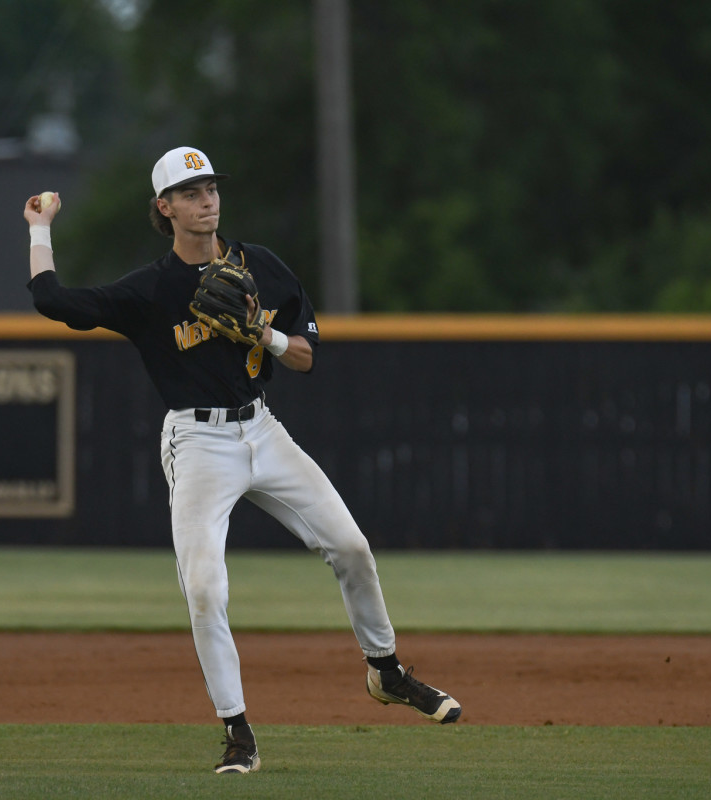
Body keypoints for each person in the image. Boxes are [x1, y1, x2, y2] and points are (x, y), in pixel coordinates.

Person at [23, 146, 461, 774]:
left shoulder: (262, 267)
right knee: (205, 588)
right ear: (165, 207)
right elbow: (51, 301)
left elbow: (308, 357)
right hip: (198, 443)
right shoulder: (149, 292)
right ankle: (238, 734)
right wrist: (40, 227)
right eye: (192, 191)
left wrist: (266, 333)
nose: (208, 199)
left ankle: (386, 672)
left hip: (263, 429)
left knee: (353, 547)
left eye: (212, 188)